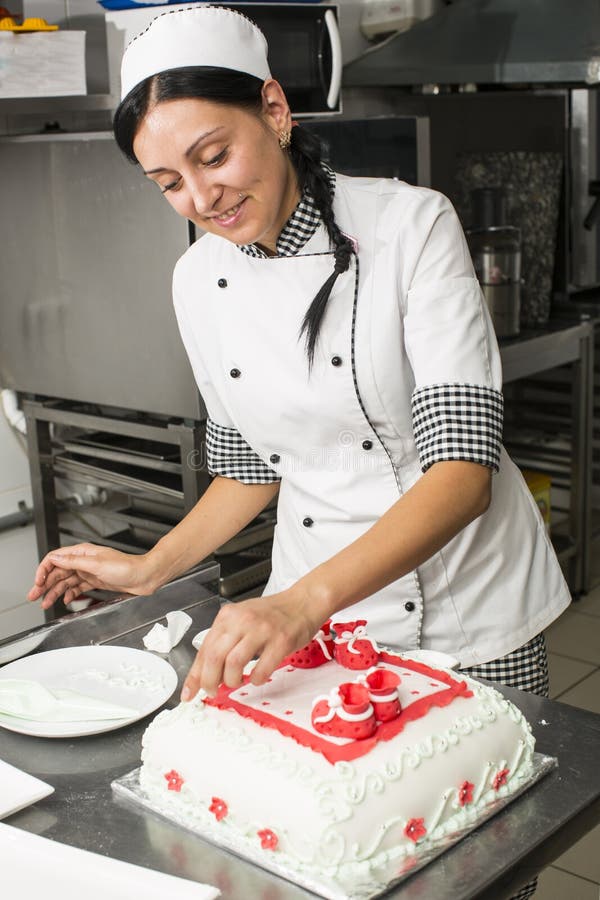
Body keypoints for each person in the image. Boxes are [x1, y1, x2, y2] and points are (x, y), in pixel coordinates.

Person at [29, 7, 569, 712]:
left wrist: (300, 603)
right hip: (316, 624)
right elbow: (250, 467)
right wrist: (151, 568)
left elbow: (463, 474)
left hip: (467, 612)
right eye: (168, 183)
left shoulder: (413, 226)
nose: (201, 198)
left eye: (214, 157)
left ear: (275, 111)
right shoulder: (197, 280)